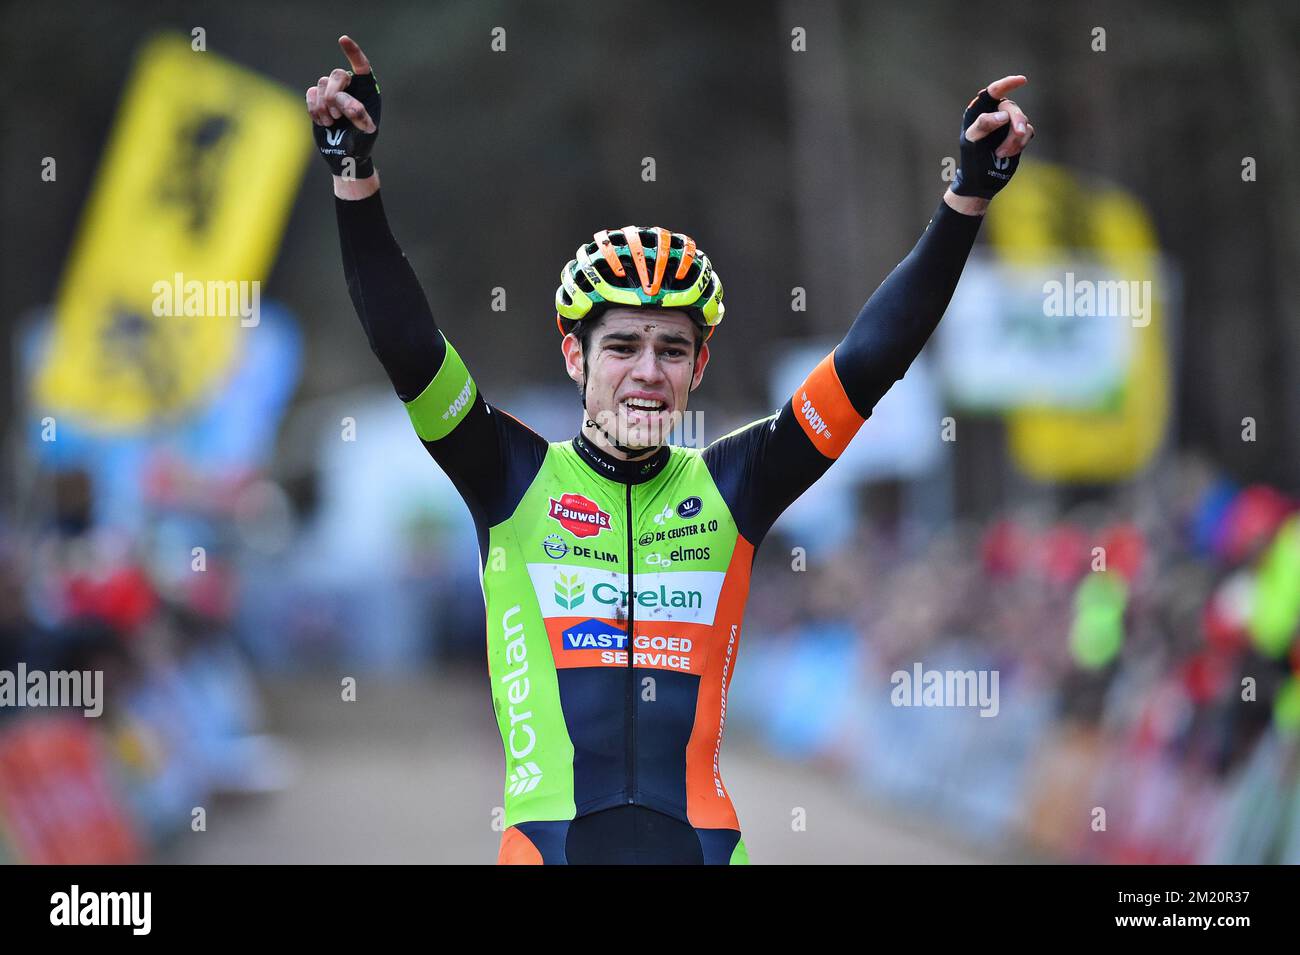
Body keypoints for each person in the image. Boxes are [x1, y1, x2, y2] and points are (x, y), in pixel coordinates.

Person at [306, 35, 1035, 864]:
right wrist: (352, 176)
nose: (647, 372)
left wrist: (967, 196)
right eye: (622, 346)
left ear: (699, 366)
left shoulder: (740, 482)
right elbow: (407, 344)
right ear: (576, 356)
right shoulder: (505, 473)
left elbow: (872, 359)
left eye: (672, 348)